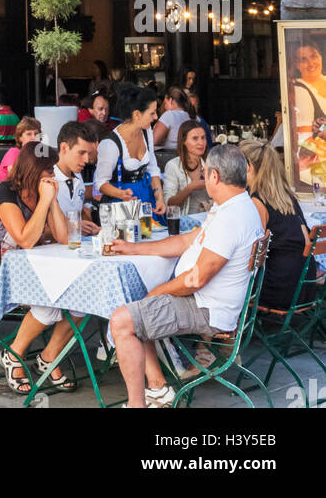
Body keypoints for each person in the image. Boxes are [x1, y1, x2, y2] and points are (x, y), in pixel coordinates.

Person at [108, 143, 264, 408]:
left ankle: (138, 404)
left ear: (214, 176)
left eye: (205, 174)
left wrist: (159, 292)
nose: (204, 179)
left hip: (207, 308)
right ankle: (157, 388)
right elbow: (186, 242)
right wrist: (132, 248)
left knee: (122, 319)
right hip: (210, 302)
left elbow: (198, 278)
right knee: (139, 305)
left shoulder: (232, 216)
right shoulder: (232, 206)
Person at [0, 144, 77, 394]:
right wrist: (45, 202)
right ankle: (13, 355)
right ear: (35, 170)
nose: (54, 175)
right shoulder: (5, 193)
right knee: (47, 303)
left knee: (79, 300)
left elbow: (64, 238)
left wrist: (51, 202)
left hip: (33, 273)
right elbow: (25, 239)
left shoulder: (43, 192)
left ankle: (49, 357)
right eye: (49, 170)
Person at [241, 140, 315, 310]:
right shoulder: (286, 196)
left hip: (280, 288)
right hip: (303, 286)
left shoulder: (257, 201)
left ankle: (225, 329)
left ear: (248, 167)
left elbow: (250, 252)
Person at [95, 84, 166, 218]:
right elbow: (101, 183)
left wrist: (159, 196)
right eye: (152, 113)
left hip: (145, 198)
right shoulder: (110, 144)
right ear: (137, 114)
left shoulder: (147, 131)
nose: (156, 117)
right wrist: (120, 194)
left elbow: (152, 167)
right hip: (122, 204)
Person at [55, 121, 99, 231]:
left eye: (88, 154)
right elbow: (37, 229)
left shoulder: (78, 176)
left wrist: (91, 227)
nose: (86, 160)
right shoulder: (45, 177)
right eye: (81, 153)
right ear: (64, 148)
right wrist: (75, 226)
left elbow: (78, 213)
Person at [163, 120, 210, 215]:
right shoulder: (173, 165)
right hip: (185, 222)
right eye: (195, 138)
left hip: (210, 219)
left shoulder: (212, 163)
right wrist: (190, 188)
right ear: (184, 141)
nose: (201, 143)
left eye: (203, 138)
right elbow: (169, 204)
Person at [293, 44, 326, 136]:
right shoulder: (299, 90)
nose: (311, 63)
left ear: (321, 57)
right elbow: (305, 137)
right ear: (297, 65)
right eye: (303, 60)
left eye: (314, 56)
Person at [0, 117, 43, 182]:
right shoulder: (13, 152)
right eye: (29, 134)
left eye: (36, 134)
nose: (33, 138)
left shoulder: (38, 154)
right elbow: (14, 179)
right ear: (20, 137)